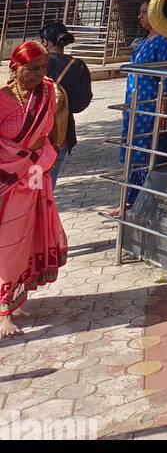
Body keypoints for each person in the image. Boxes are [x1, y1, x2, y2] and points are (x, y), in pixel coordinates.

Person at [0, 41, 68, 337]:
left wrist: (41, 161)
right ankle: (3, 313)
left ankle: (11, 302)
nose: (39, 74)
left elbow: (55, 137)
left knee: (23, 243)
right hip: (5, 180)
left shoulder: (51, 95)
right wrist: (18, 162)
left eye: (42, 68)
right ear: (15, 68)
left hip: (34, 180)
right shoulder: (2, 100)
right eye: (32, 69)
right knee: (7, 245)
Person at [109, 1, 167, 217]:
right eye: (140, 12)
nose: (140, 17)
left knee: (148, 154)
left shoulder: (166, 41)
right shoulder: (145, 40)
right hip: (136, 106)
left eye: (145, 12)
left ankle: (147, 203)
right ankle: (131, 202)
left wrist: (164, 103)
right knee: (135, 155)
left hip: (152, 106)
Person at [39, 22, 93, 187]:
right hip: (61, 134)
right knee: (48, 186)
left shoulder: (37, 64)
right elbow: (80, 104)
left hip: (36, 134)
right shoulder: (78, 66)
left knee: (33, 187)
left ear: (45, 42)